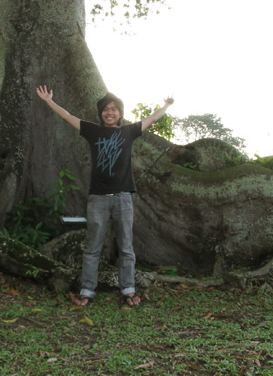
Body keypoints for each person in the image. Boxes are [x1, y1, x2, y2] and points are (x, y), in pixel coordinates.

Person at [36, 84, 174, 307]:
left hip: (123, 198)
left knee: (126, 247)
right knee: (92, 248)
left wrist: (166, 106)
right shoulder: (93, 131)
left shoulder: (128, 132)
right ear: (101, 113)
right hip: (98, 199)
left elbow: (151, 119)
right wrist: (49, 101)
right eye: (105, 109)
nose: (110, 113)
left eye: (114, 109)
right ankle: (87, 290)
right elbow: (68, 116)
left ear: (120, 113)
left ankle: (128, 290)